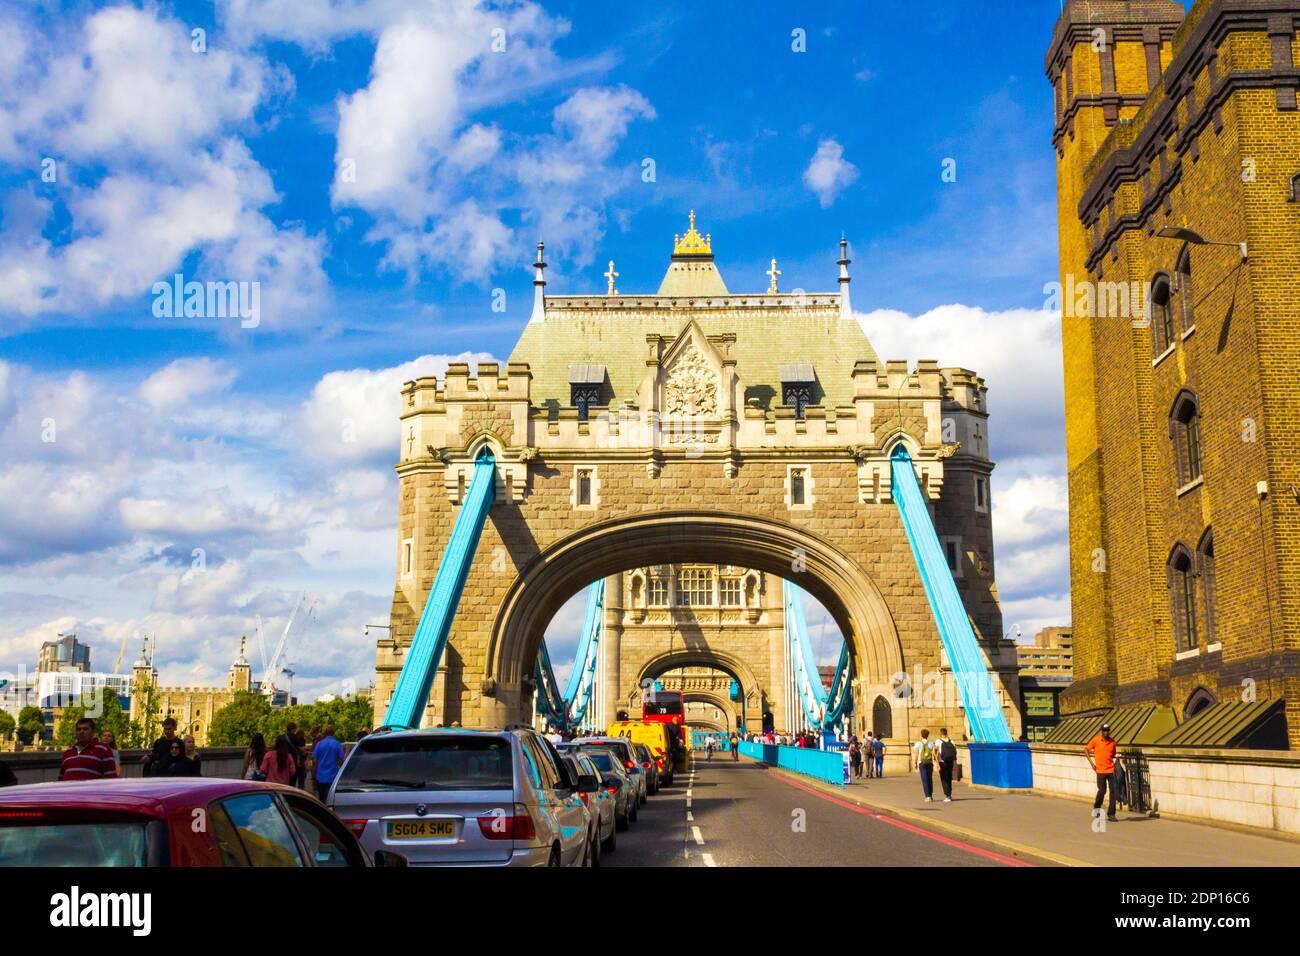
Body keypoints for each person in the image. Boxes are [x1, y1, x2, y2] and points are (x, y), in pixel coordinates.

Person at [1085, 722, 1119, 822]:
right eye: (1104, 730)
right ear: (1101, 731)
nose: (1106, 732)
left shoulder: (1113, 742)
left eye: (1108, 730)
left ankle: (1111, 814)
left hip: (1111, 770)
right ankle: (1096, 808)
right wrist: (1092, 764)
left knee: (1113, 791)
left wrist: (1117, 757)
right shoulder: (1096, 740)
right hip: (1100, 771)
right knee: (1102, 791)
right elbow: (1086, 750)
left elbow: (1112, 754)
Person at [312, 725, 345, 802]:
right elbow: (341, 760)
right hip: (333, 776)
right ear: (333, 733)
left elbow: (314, 761)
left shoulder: (319, 744)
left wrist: (313, 776)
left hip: (320, 776)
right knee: (330, 799)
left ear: (324, 733)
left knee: (321, 798)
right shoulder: (337, 744)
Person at [913, 728, 937, 802]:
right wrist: (936, 762)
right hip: (930, 763)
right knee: (930, 779)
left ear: (921, 735)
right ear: (927, 735)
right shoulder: (931, 743)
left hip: (922, 763)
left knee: (924, 779)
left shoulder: (918, 743)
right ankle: (931, 795)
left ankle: (927, 796)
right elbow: (934, 753)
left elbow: (916, 754)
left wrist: (915, 763)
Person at [935, 727, 958, 802]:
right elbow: (955, 752)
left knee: (944, 779)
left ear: (941, 733)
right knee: (949, 777)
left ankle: (947, 795)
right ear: (946, 733)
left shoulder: (938, 741)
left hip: (942, 761)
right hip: (950, 761)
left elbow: (935, 752)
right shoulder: (952, 741)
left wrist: (936, 762)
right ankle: (949, 794)